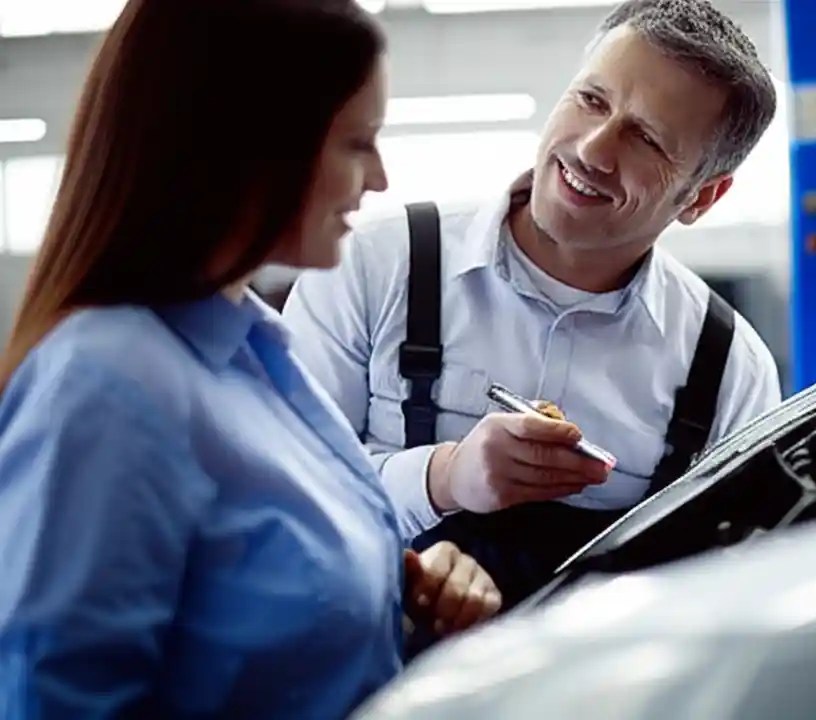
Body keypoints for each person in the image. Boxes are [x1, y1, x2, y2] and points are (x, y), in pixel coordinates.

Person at [0, 1, 501, 717]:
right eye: (358, 142)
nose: (381, 178)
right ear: (250, 145)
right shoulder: (108, 384)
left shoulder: (256, 351)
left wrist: (405, 588)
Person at [282, 0, 782, 608]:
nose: (593, 150)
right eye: (591, 100)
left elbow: (731, 591)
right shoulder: (373, 266)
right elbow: (282, 498)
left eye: (646, 138)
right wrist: (441, 479)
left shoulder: (730, 371)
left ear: (701, 197)